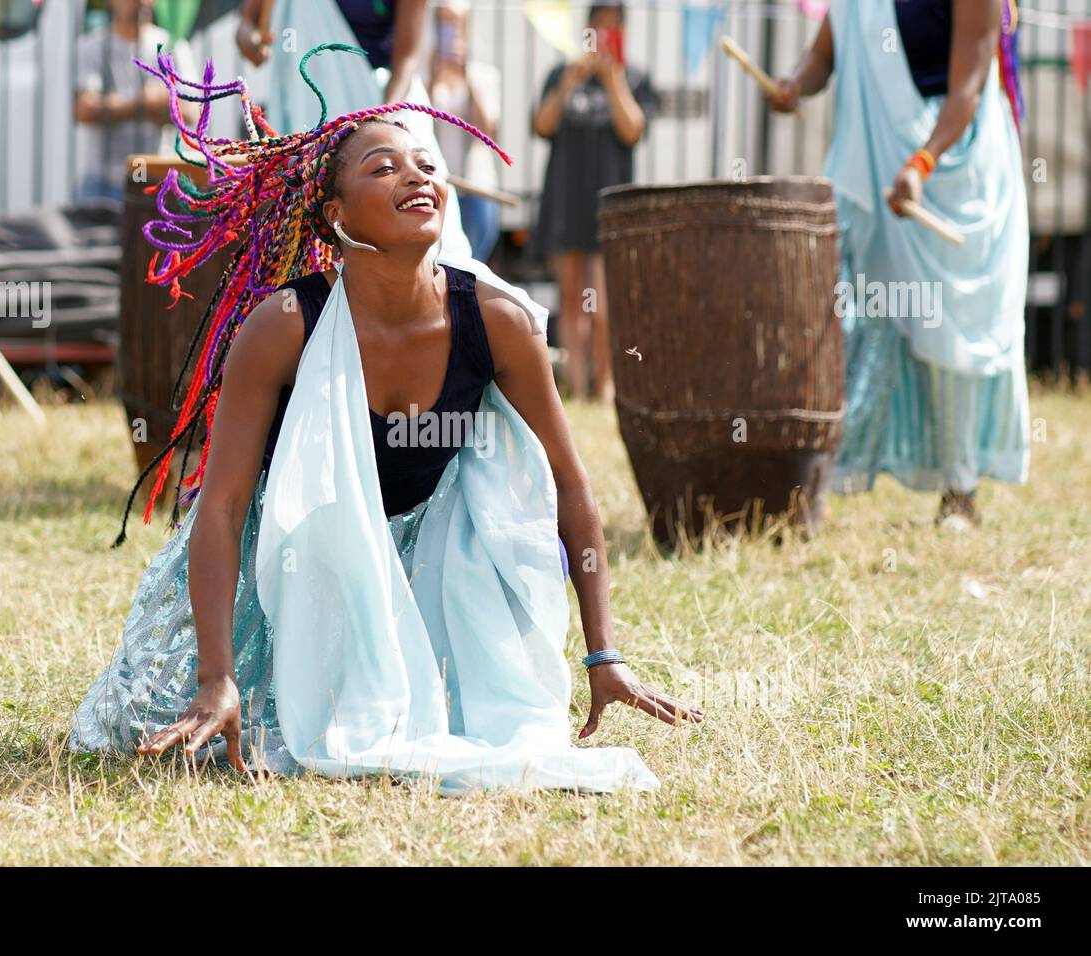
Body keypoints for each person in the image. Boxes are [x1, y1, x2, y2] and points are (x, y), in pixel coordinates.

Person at [68, 46, 701, 796]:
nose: (418, 176)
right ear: (335, 215)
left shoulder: (498, 321)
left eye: (428, 164)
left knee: (467, 732)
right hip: (290, 560)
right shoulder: (282, 326)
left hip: (436, 563)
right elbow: (225, 504)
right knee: (149, 726)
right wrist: (215, 677)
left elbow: (569, 482)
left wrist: (603, 654)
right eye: (384, 168)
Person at [767, 0, 1030, 527]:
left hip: (949, 165)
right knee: (849, 318)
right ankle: (816, 484)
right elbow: (824, 55)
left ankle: (960, 489)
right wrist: (795, 82)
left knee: (947, 332)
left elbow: (969, 87)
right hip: (877, 171)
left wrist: (922, 163)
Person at [235, 0, 474, 258]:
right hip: (305, 112)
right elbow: (247, 24)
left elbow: (406, 59)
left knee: (413, 225)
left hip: (383, 104)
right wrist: (251, 42)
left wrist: (380, 121)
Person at [532, 2, 657, 403]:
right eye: (598, 27)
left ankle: (605, 386)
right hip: (567, 200)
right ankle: (576, 385)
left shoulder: (635, 78)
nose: (604, 36)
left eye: (613, 27)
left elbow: (632, 130)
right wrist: (569, 82)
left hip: (611, 207)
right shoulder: (562, 74)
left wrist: (612, 79)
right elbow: (542, 124)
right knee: (571, 300)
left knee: (603, 303)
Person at [74, 0, 200, 203]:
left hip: (155, 180)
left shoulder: (172, 45)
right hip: (103, 182)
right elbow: (85, 110)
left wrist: (120, 106)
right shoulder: (92, 46)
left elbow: (191, 111)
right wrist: (145, 103)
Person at [427, 0, 503, 261]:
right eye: (443, 21)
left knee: (474, 260)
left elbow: (488, 132)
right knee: (442, 258)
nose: (449, 29)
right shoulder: (426, 73)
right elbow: (419, 120)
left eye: (455, 22)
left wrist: (466, 75)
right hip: (440, 181)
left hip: (476, 184)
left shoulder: (484, 75)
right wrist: (434, 76)